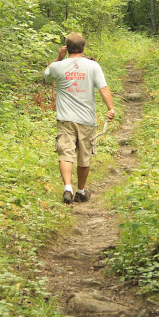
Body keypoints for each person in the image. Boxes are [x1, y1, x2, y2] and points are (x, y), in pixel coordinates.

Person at [44, 32, 115, 204]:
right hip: (86, 120)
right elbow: (103, 88)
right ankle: (80, 191)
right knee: (84, 156)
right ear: (83, 47)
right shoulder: (93, 66)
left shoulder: (57, 66)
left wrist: (58, 58)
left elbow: (46, 78)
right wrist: (111, 108)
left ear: (66, 48)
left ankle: (67, 187)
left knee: (65, 153)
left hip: (65, 119)